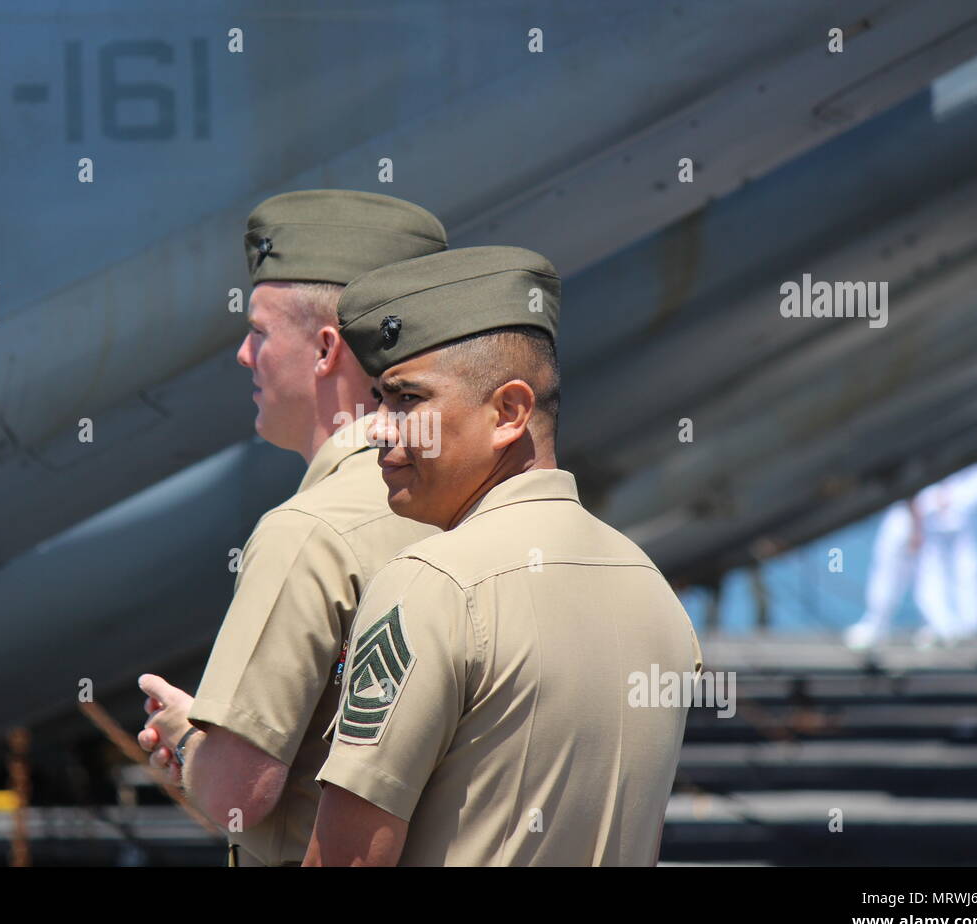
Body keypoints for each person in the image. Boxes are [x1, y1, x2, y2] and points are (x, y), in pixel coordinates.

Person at [303, 246, 704, 866]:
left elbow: (349, 859)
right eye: (380, 399)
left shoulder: (431, 585)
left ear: (508, 413)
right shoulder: (651, 590)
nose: (377, 428)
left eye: (407, 400)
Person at [135, 190, 446, 865]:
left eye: (261, 332)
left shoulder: (310, 532)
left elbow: (236, 794)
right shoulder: (472, 502)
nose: (245, 356)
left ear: (327, 348)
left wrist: (189, 740)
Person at [844, 461, 977, 650]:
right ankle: (879, 624)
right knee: (894, 572)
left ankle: (948, 627)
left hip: (931, 517)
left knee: (936, 577)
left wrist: (943, 503)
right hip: (912, 513)